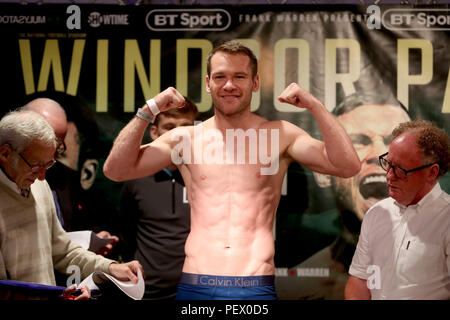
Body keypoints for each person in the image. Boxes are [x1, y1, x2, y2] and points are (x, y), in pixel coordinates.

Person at [103, 40, 361, 300]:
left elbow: (347, 165)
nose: (229, 85)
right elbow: (116, 170)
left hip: (254, 285)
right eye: (220, 77)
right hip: (197, 284)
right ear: (208, 83)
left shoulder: (279, 135)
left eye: (239, 76)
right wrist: (149, 109)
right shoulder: (185, 139)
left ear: (255, 83)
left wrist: (314, 105)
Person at [275, 93, 411, 299]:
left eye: (395, 142)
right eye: (358, 141)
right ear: (322, 173)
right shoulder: (292, 292)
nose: (379, 153)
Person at [0, 109, 143, 299]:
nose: (43, 176)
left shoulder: (38, 185)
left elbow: (63, 252)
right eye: (35, 166)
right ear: (5, 153)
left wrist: (111, 267)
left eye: (48, 165)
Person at [345, 120, 450, 300]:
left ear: (432, 172)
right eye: (388, 163)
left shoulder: (446, 218)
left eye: (401, 170)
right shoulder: (377, 213)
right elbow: (360, 280)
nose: (389, 175)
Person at [119, 98, 198, 300]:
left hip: (198, 293)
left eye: (185, 127)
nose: (178, 135)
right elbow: (127, 235)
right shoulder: (135, 179)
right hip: (148, 293)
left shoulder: (206, 178)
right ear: (155, 133)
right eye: (170, 127)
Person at [22, 96, 119, 256]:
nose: (43, 170)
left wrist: (92, 243)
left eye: (58, 150)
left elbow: (62, 243)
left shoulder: (64, 179)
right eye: (40, 141)